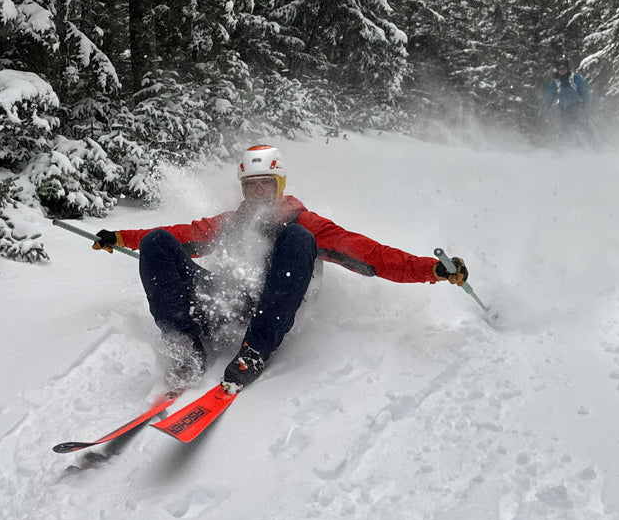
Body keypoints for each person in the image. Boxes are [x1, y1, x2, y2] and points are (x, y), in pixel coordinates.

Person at [92, 144, 468, 389]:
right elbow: (183, 234)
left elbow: (371, 254)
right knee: (159, 241)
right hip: (226, 303)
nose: (257, 193)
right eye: (250, 186)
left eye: (265, 185)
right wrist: (122, 238)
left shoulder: (306, 224)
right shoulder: (232, 221)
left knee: (297, 240)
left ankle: (254, 351)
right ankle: (188, 347)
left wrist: (431, 269)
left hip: (271, 310)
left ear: (280, 185)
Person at [543, 58, 592, 143]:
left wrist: (587, 102)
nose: (562, 71)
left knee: (582, 127)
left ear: (567, 69)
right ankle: (568, 149)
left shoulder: (575, 78)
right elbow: (549, 95)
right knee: (566, 128)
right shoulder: (556, 82)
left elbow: (585, 90)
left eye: (564, 69)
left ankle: (593, 147)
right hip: (565, 109)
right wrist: (545, 106)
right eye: (560, 70)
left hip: (578, 106)